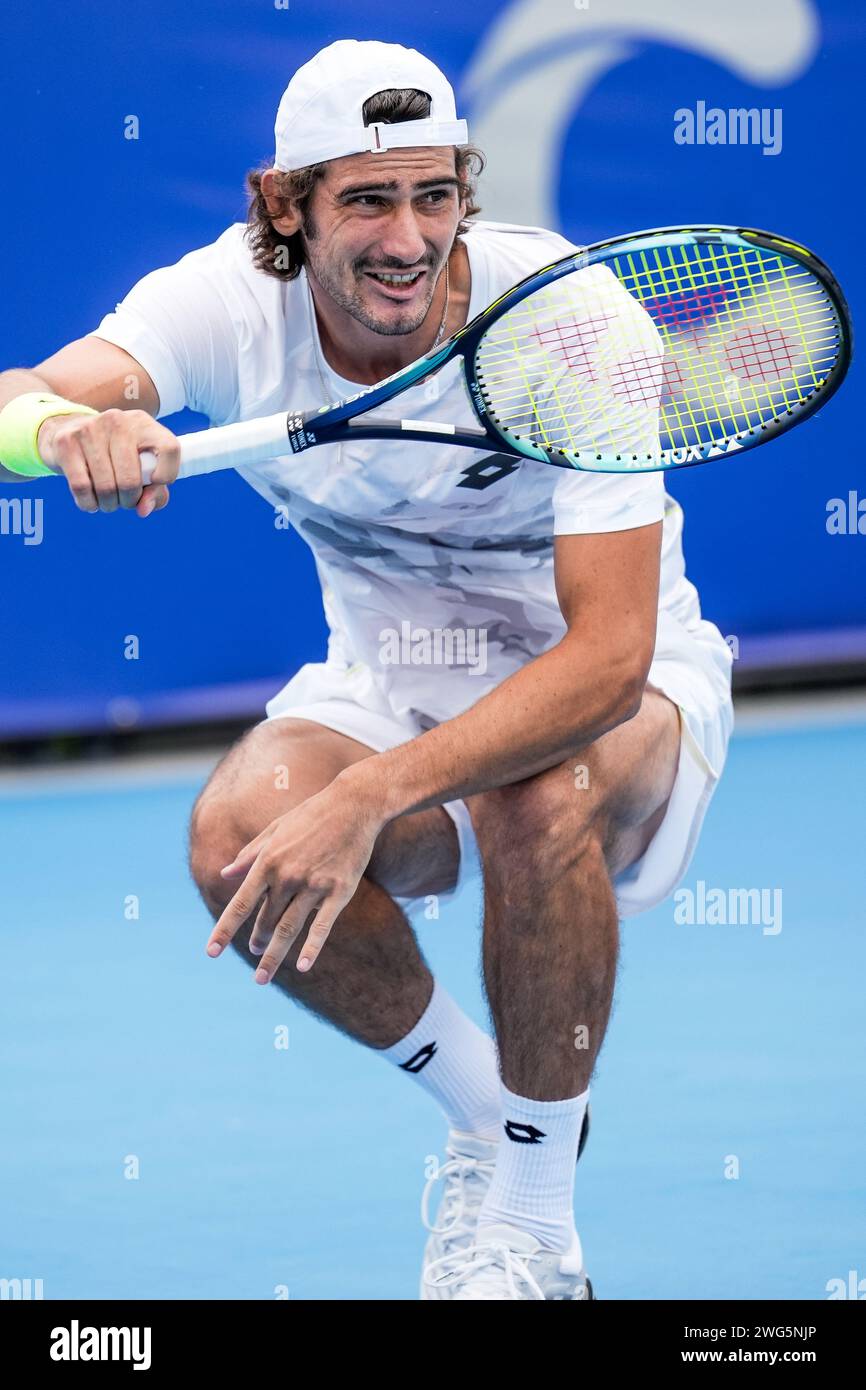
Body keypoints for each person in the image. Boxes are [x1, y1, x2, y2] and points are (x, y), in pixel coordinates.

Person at [0, 38, 734, 1300]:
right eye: (366, 201)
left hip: (622, 686)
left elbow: (606, 657)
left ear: (464, 190)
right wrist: (72, 425)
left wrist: (370, 792)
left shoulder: (568, 318)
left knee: (531, 793)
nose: (409, 239)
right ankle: (498, 1115)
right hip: (386, 675)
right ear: (283, 204)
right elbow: (16, 399)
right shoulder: (227, 301)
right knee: (239, 836)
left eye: (435, 195)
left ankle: (531, 1221)